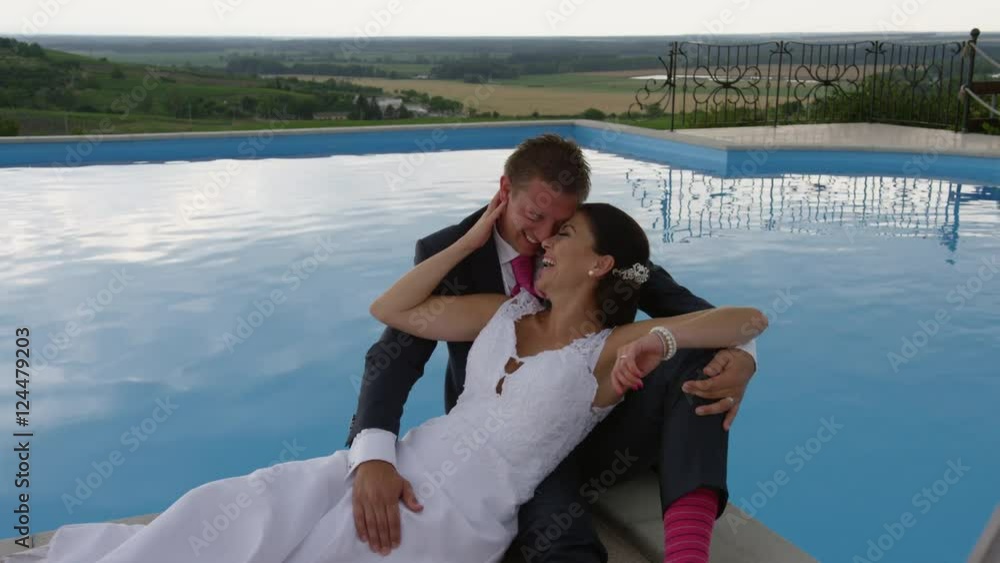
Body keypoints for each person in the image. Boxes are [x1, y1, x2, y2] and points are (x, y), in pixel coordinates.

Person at [5, 198, 766, 563]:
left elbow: (746, 317)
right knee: (247, 501)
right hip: (401, 459)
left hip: (462, 508)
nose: (546, 239)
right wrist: (472, 235)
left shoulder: (606, 347)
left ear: (600, 263)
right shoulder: (503, 309)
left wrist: (667, 336)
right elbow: (391, 307)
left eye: (564, 234)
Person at [347, 133, 759, 562]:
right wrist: (372, 456)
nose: (543, 237)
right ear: (505, 191)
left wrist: (743, 357)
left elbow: (699, 314)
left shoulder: (600, 247)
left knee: (698, 357)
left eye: (560, 226)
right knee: (558, 534)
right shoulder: (448, 253)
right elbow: (392, 359)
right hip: (507, 435)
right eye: (535, 215)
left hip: (598, 418)